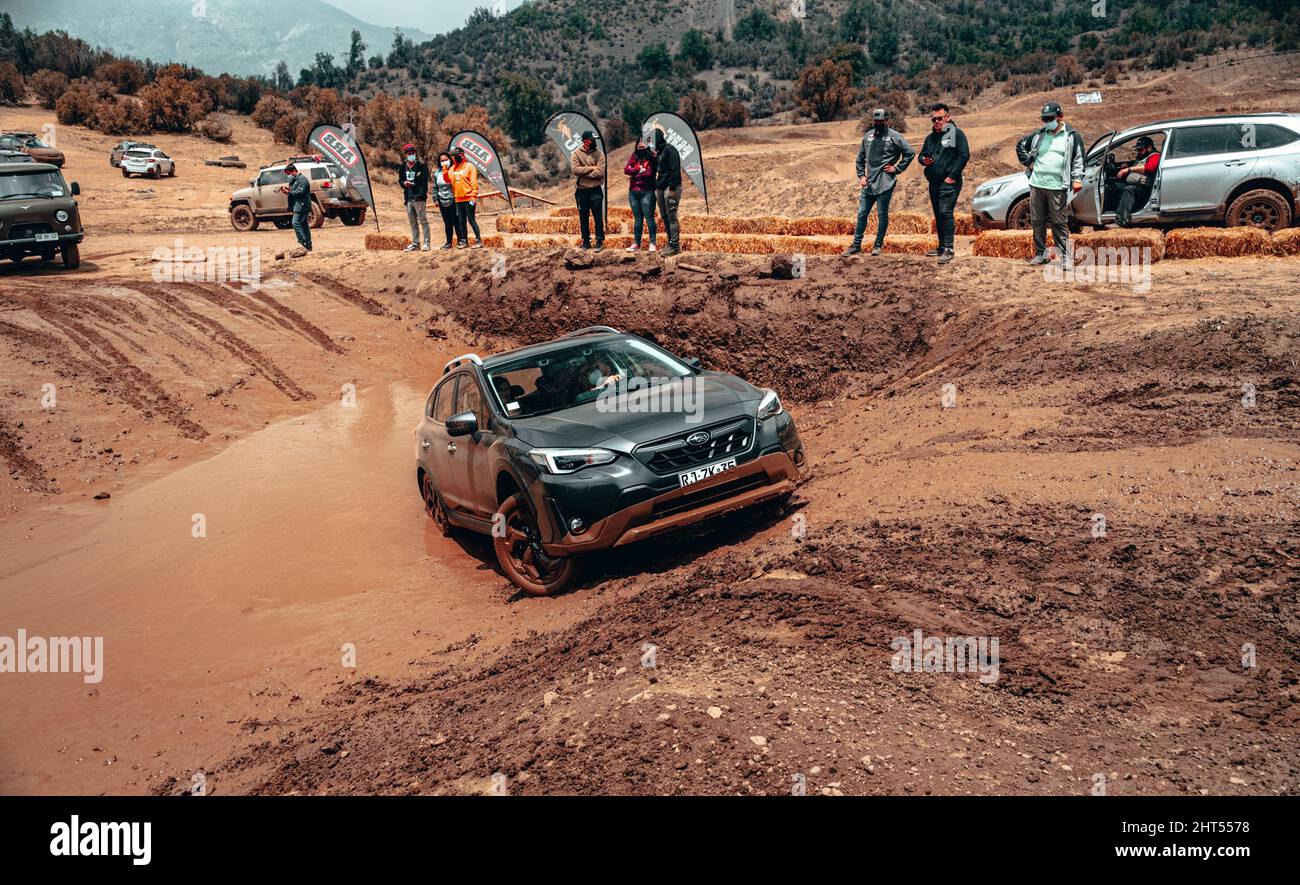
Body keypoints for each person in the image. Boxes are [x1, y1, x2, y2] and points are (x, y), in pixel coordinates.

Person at [1018, 101, 1085, 266]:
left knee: (1059, 223)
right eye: (1044, 119)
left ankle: (1065, 258)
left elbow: (1079, 159)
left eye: (1050, 118)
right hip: (1037, 185)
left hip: (1058, 187)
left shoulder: (1071, 136)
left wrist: (1077, 179)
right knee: (1037, 221)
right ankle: (1041, 253)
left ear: (1060, 117)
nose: (1047, 122)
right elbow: (1020, 145)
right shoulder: (1039, 135)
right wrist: (1027, 161)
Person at [844, 108, 915, 256]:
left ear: (887, 120)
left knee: (882, 215)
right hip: (868, 183)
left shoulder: (895, 136)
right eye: (876, 121)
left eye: (881, 121)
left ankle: (878, 245)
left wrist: (896, 169)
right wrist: (861, 176)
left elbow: (910, 153)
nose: (878, 124)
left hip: (885, 183)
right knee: (862, 213)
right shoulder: (868, 136)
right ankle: (856, 245)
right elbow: (860, 159)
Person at [918, 103, 969, 265]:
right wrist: (924, 160)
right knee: (938, 215)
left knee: (946, 212)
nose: (937, 122)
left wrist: (953, 175)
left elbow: (964, 155)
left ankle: (949, 248)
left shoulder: (955, 134)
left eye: (940, 118)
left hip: (950, 181)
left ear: (948, 117)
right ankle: (941, 247)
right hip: (934, 182)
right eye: (934, 119)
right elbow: (921, 156)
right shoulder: (930, 138)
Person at [1113, 136, 1161, 227]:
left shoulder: (1155, 156)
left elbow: (1150, 168)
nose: (1138, 151)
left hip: (1144, 188)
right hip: (1136, 185)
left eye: (1140, 149)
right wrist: (1126, 165)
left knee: (1129, 189)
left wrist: (1128, 169)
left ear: (1149, 148)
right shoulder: (1142, 156)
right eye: (1137, 149)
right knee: (1113, 186)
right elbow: (1138, 164)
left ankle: (1121, 221)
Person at [571, 131, 606, 251]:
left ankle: (599, 241)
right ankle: (586, 241)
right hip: (582, 191)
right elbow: (576, 170)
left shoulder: (600, 154)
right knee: (583, 217)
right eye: (592, 139)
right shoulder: (576, 154)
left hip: (596, 190)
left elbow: (600, 172)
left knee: (597, 216)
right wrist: (592, 168)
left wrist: (585, 173)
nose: (594, 141)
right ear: (585, 141)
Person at [624, 138, 658, 252]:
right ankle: (636, 243)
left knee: (649, 218)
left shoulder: (652, 157)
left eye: (643, 142)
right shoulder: (634, 156)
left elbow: (649, 173)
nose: (640, 145)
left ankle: (652, 243)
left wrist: (635, 171)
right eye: (639, 142)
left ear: (648, 144)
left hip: (647, 191)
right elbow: (626, 169)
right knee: (638, 219)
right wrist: (638, 169)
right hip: (633, 191)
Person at [653, 130, 682, 257]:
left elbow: (675, 170)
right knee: (665, 217)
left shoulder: (670, 150)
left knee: (671, 216)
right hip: (661, 187)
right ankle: (671, 243)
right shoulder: (660, 152)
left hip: (670, 188)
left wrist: (672, 188)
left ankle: (675, 245)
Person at [449, 147, 483, 249]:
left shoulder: (470, 167)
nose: (455, 158)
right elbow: (447, 179)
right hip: (458, 198)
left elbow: (474, 182)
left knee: (471, 219)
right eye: (453, 156)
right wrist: (445, 169)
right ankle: (464, 241)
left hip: (469, 198)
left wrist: (474, 195)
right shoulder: (452, 168)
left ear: (462, 155)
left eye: (457, 156)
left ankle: (478, 240)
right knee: (461, 220)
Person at [399, 143, 430, 252]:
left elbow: (424, 184)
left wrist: (420, 196)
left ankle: (427, 242)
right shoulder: (403, 166)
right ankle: (416, 243)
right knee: (413, 223)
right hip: (408, 198)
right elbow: (400, 180)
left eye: (413, 153)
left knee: (423, 221)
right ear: (406, 155)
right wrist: (404, 183)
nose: (411, 155)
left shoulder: (422, 167)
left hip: (419, 199)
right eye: (409, 153)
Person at [279, 162, 312, 253]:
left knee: (295, 223)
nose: (289, 176)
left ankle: (302, 243)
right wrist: (286, 191)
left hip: (302, 205)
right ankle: (308, 246)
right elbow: (293, 192)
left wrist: (289, 192)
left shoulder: (302, 179)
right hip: (297, 205)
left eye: (289, 174)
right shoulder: (294, 180)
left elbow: (299, 193)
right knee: (304, 225)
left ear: (294, 171)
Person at [432, 151, 458, 249]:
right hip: (442, 200)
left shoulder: (454, 170)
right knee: (447, 223)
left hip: (453, 199)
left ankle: (460, 241)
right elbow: (435, 187)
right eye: (442, 161)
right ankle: (448, 243)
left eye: (446, 160)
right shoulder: (437, 172)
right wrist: (435, 199)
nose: (444, 162)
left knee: (456, 221)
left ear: (450, 160)